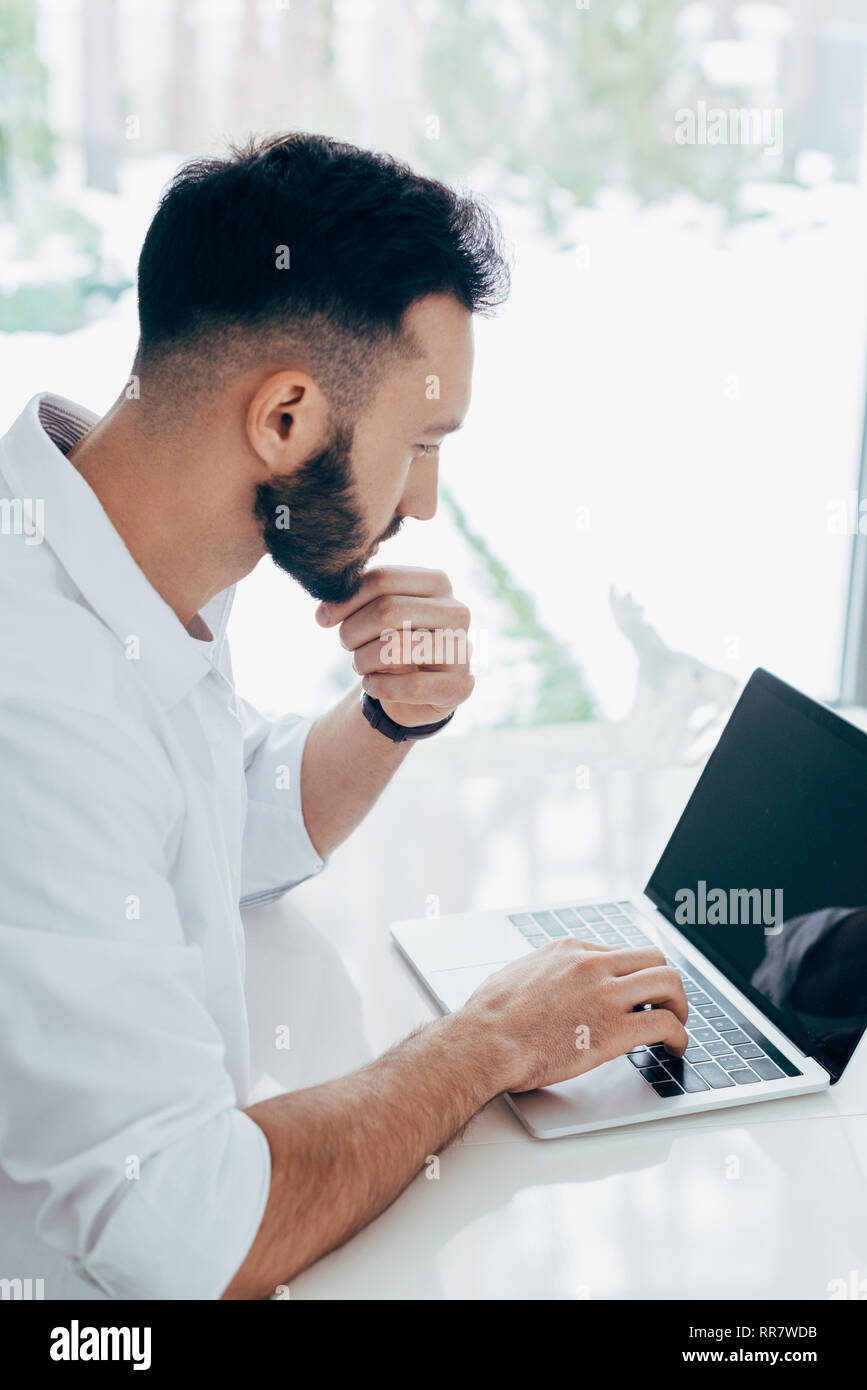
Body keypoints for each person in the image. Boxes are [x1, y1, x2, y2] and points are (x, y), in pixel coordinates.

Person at [0, 133, 688, 1300]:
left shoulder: (110, 558)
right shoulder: (41, 693)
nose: (423, 501)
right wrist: (492, 1042)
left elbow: (224, 829)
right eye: (420, 446)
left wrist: (385, 718)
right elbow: (186, 1236)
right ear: (285, 419)